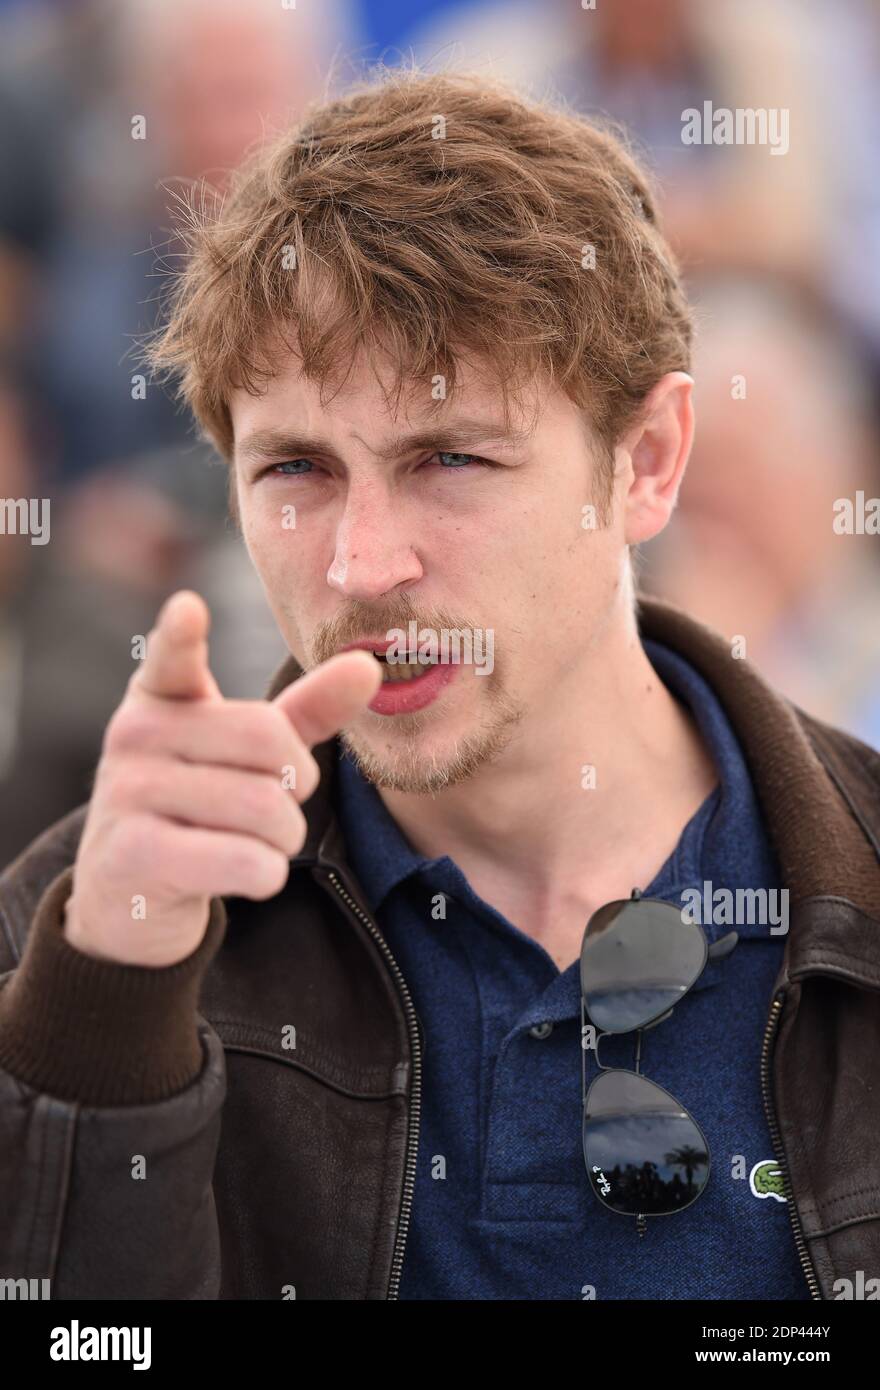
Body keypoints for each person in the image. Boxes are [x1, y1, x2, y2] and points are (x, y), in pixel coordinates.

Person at [0, 67, 878, 1302]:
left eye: (450, 458)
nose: (362, 565)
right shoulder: (77, 929)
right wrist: (113, 1006)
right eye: (295, 468)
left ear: (648, 460)